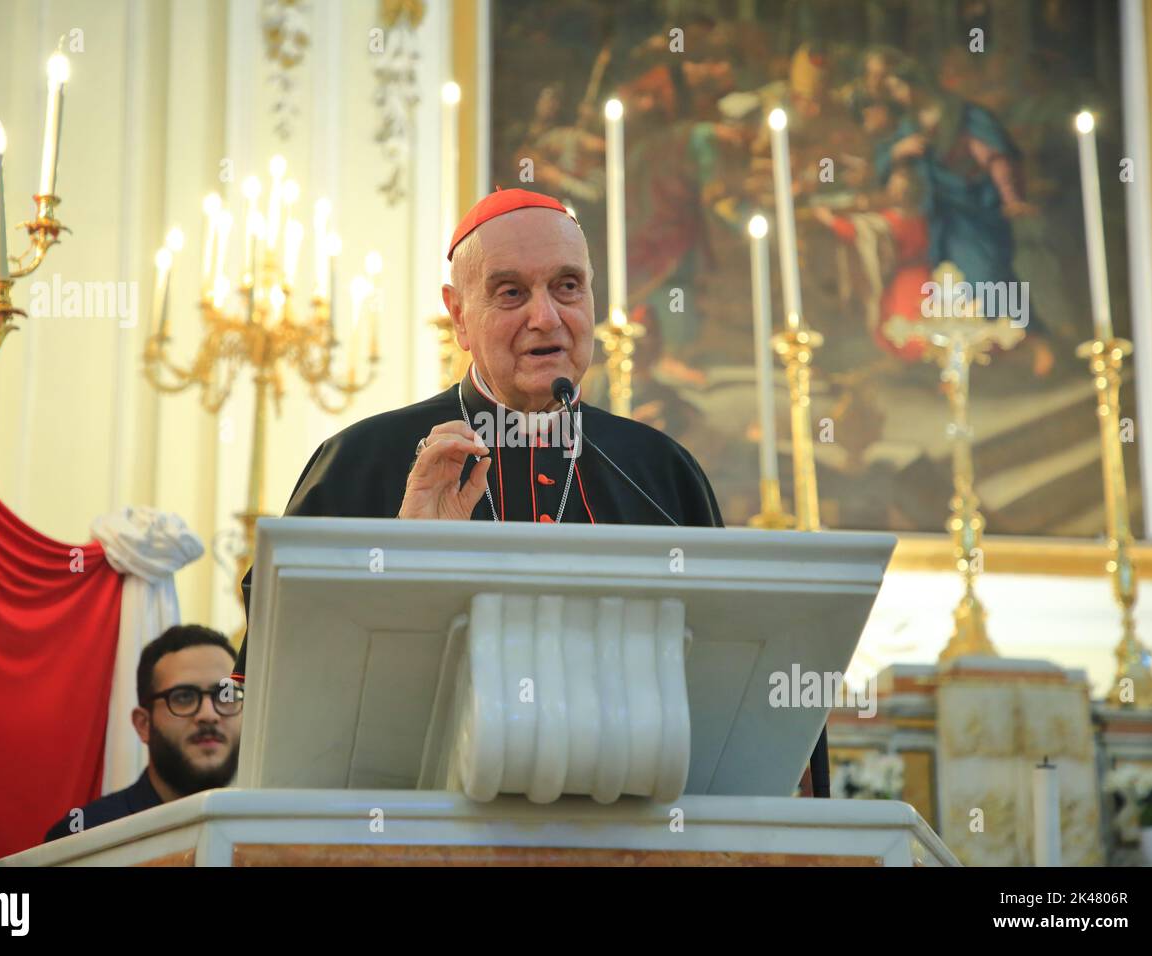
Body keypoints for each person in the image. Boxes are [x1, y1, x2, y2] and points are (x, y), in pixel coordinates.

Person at [231, 187, 723, 684]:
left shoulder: (659, 470)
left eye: (567, 285)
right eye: (510, 292)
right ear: (460, 316)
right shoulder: (361, 460)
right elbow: (282, 668)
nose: (546, 317)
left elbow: (726, 664)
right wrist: (403, 558)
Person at [43, 625, 243, 842]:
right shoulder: (81, 839)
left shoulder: (266, 830)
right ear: (143, 725)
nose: (209, 714)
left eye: (225, 695)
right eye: (184, 697)